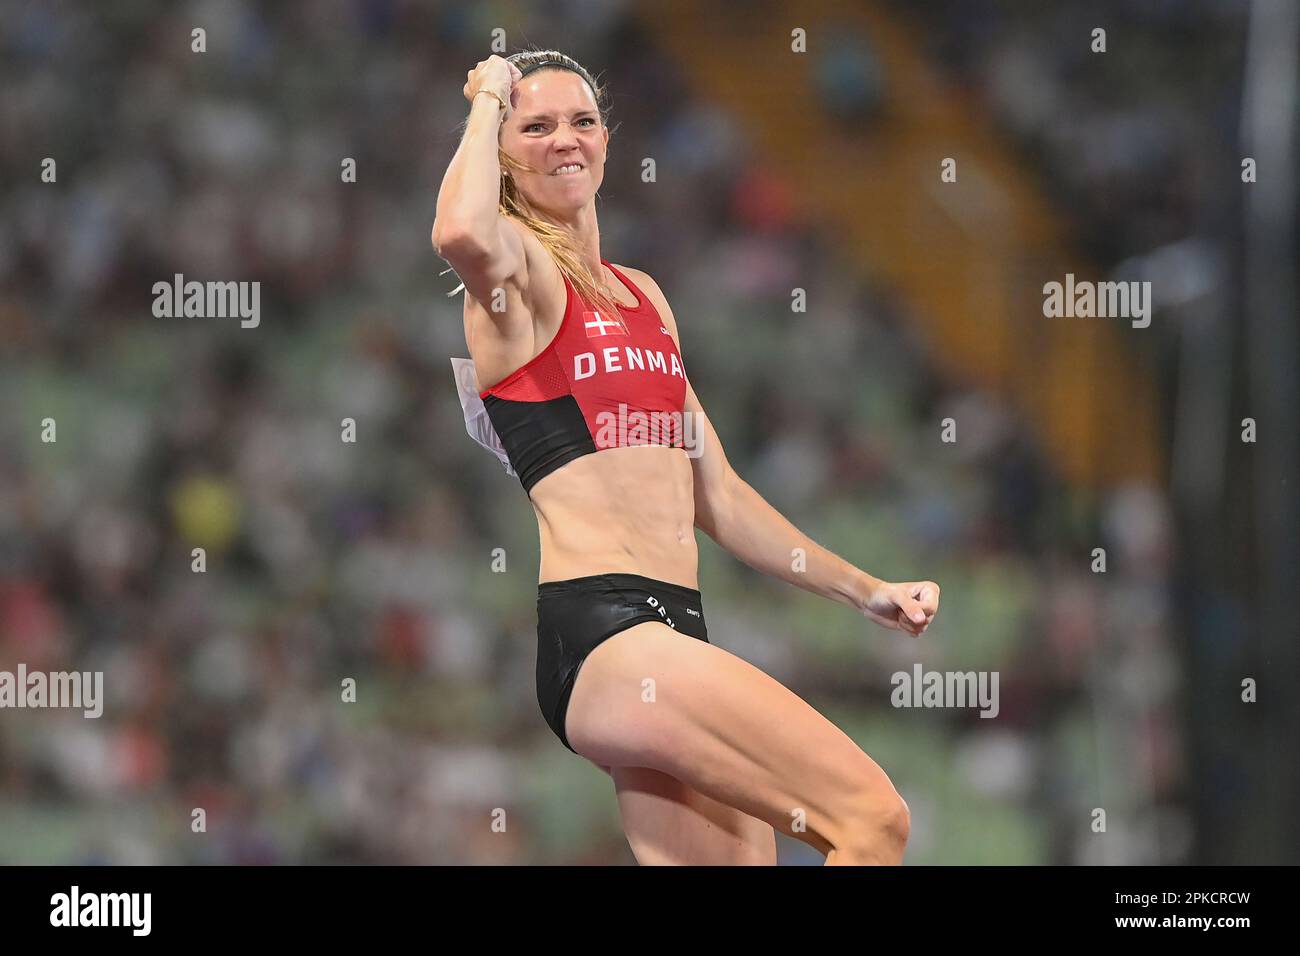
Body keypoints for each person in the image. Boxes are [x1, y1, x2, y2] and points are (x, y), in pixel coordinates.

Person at [432, 50, 940, 865]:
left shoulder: (645, 298)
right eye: (536, 126)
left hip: (679, 630)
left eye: (582, 121)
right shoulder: (516, 280)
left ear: (608, 139)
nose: (565, 139)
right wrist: (490, 93)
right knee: (873, 822)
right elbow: (459, 229)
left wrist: (865, 590)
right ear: (500, 150)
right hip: (606, 630)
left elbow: (723, 497)